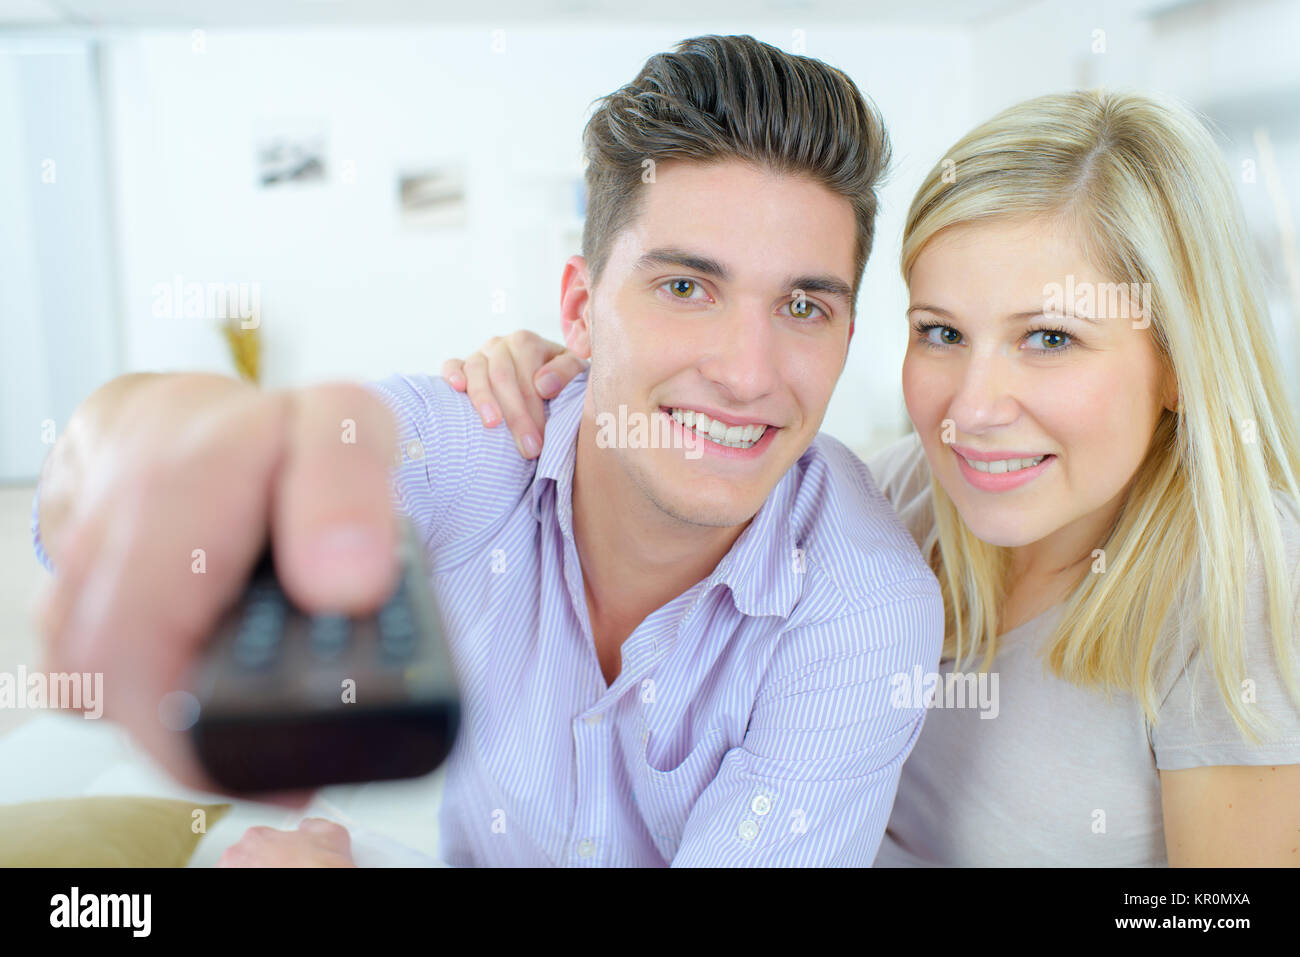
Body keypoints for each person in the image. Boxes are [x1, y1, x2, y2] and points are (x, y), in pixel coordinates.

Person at [32, 35, 943, 866]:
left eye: (802, 307)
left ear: (847, 331)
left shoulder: (864, 608)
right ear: (581, 311)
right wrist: (143, 449)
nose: (748, 374)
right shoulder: (478, 441)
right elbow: (163, 479)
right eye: (684, 286)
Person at [445, 88, 1300, 865]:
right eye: (942, 333)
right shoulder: (898, 498)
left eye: (1049, 338)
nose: (975, 407)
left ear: (1180, 361)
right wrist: (574, 381)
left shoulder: (1243, 577)